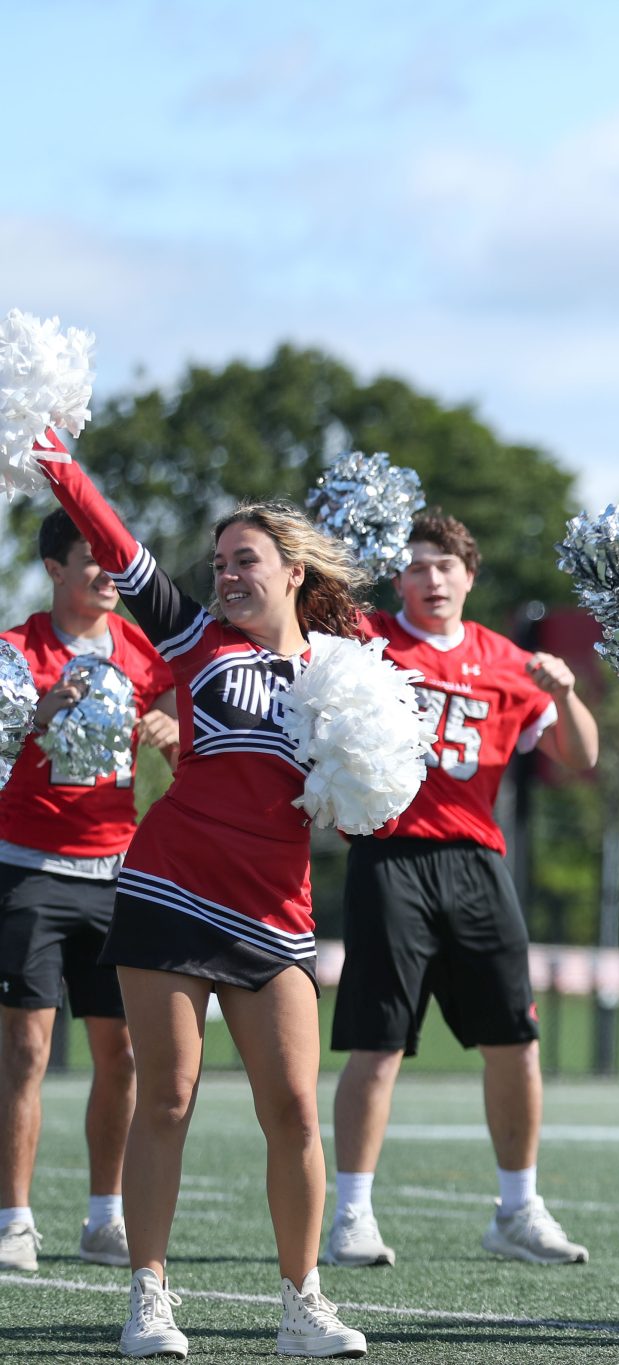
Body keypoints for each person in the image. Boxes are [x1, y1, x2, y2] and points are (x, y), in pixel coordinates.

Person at [35, 436, 369, 1359]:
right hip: (171, 890)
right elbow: (116, 540)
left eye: (245, 561)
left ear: (293, 572)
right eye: (218, 562)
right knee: (169, 1097)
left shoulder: (344, 669)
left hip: (276, 912)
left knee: (296, 1109)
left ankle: (302, 1302)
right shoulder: (194, 638)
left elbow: (364, 807)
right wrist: (56, 459)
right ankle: (150, 1294)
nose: (225, 575)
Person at [324, 509, 598, 1269]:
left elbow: (581, 752)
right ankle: (351, 1212)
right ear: (398, 577)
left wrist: (567, 692)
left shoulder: (508, 659)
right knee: (377, 1043)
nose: (432, 578)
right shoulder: (369, 639)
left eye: (445, 564)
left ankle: (518, 1208)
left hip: (477, 861)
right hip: (390, 855)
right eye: (416, 565)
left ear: (470, 575)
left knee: (516, 1040)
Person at [0, 510, 177, 1274]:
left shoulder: (142, 649)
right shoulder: (14, 651)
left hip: (115, 873)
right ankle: (13, 1218)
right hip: (29, 869)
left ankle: (105, 1216)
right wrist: (39, 711)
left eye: (115, 558)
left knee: (126, 1051)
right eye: (91, 558)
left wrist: (174, 722)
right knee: (25, 1049)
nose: (110, 572)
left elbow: (185, 701)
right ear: (55, 568)